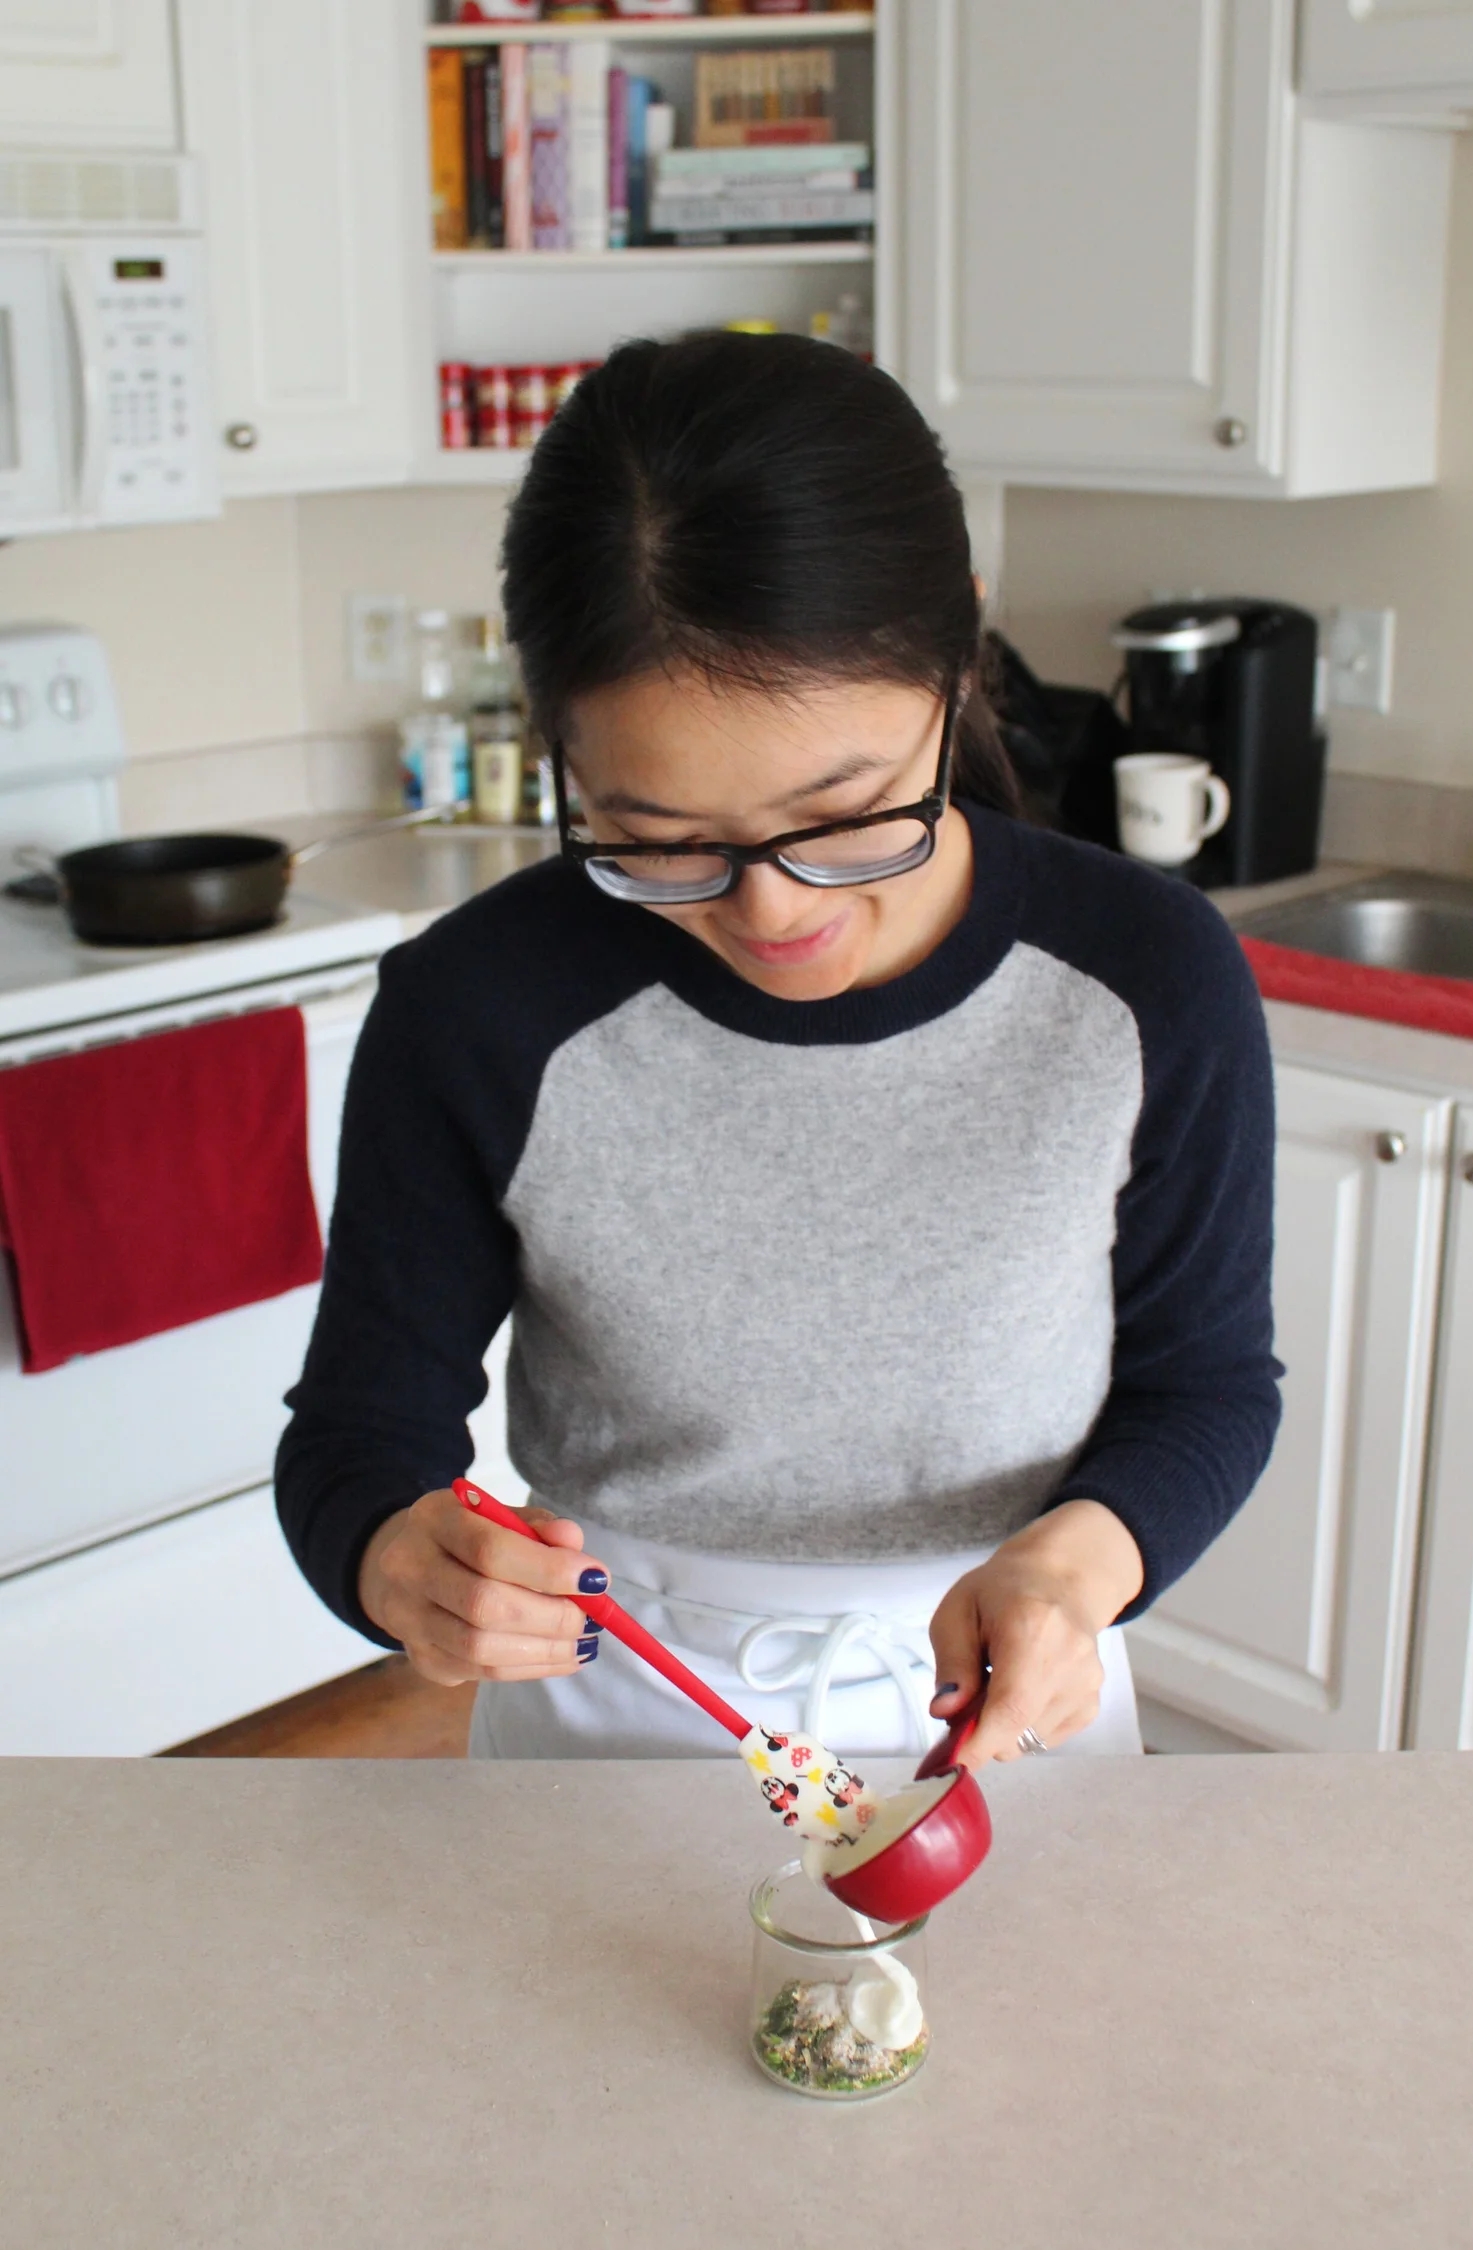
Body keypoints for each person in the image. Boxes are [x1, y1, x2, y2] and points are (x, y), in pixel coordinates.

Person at [276, 330, 1282, 1772]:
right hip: (617, 1711)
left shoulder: (1146, 979)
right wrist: (395, 1561)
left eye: (846, 810)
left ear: (960, 655)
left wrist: (1077, 1571)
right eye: (658, 841)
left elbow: (1209, 1387)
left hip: (1018, 1711)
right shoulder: (477, 1006)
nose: (770, 908)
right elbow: (358, 1433)